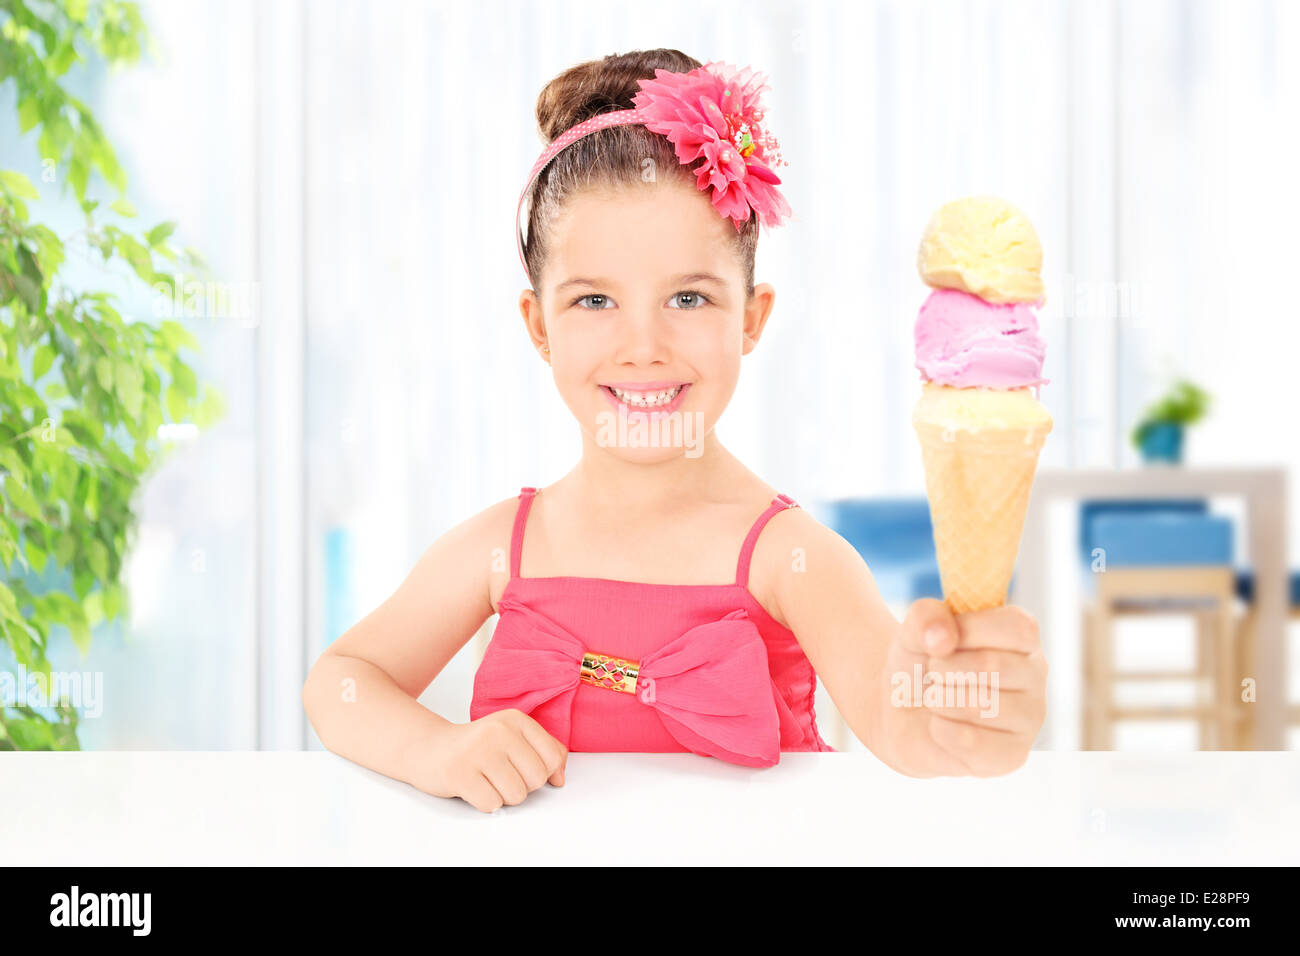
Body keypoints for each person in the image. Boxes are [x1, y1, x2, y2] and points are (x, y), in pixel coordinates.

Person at [302, 49, 1047, 814]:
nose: (643, 346)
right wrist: (438, 749)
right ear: (539, 326)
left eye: (688, 299)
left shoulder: (791, 558)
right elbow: (343, 680)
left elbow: (902, 723)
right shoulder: (502, 548)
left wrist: (959, 711)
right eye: (594, 302)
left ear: (752, 319)